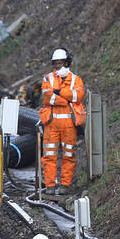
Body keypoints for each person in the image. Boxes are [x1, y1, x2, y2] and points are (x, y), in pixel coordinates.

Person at [39, 48, 85, 195]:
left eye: (61, 63)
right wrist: (65, 100)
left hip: (69, 125)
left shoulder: (76, 79)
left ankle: (65, 185)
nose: (58, 66)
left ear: (66, 62)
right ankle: (51, 186)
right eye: (56, 63)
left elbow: (78, 96)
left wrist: (60, 93)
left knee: (69, 155)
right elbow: (47, 97)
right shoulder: (48, 78)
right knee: (49, 156)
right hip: (51, 124)